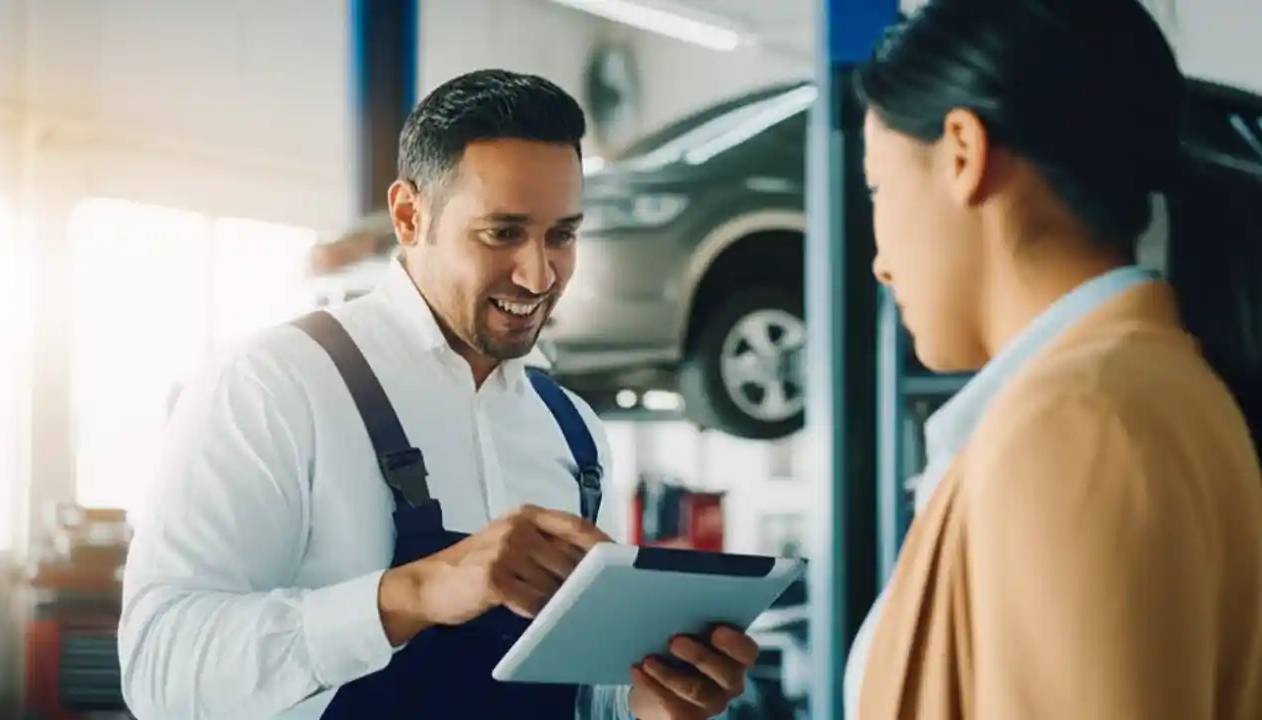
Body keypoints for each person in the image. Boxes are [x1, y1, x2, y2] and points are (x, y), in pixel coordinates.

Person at [118, 69, 758, 720]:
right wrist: (414, 594)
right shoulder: (273, 385)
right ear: (408, 216)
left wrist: (649, 704)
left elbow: (579, 698)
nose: (539, 274)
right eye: (502, 233)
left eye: (562, 235)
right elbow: (160, 674)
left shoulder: (573, 431)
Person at [846, 1, 1262, 718]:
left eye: (879, 186)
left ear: (962, 153)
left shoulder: (1074, 424)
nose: (880, 263)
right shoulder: (1132, 390)